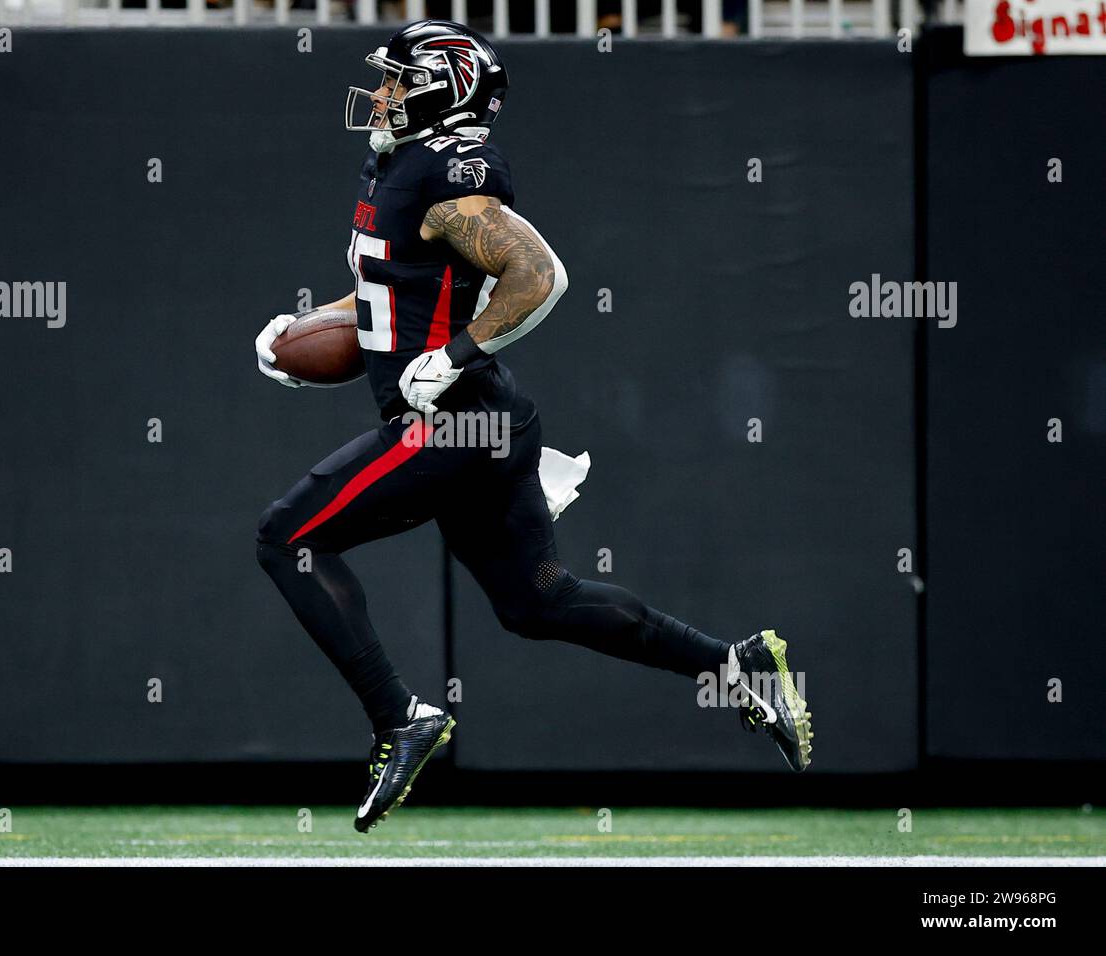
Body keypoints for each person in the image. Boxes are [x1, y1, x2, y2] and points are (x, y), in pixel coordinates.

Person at [254, 19, 812, 833]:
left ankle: (399, 718)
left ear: (442, 90)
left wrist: (454, 353)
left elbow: (538, 274)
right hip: (483, 421)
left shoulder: (451, 173)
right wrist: (299, 327)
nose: (381, 93)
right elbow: (388, 288)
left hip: (452, 421)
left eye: (398, 80)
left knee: (287, 538)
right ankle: (739, 666)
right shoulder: (399, 166)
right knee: (540, 603)